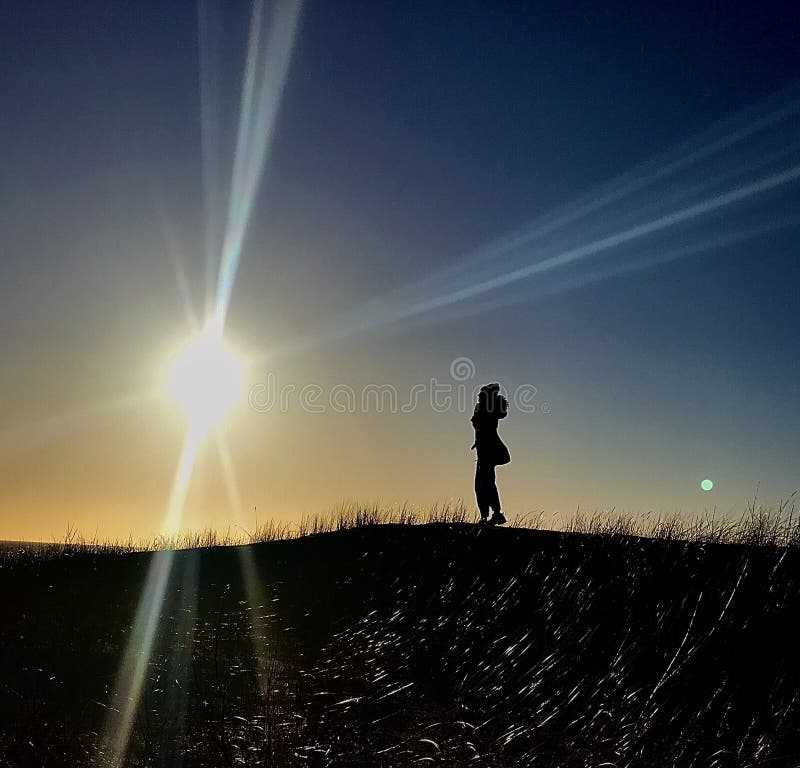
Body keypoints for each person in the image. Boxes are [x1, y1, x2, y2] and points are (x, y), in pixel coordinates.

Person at [470, 383, 511, 525]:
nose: (479, 397)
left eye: (481, 394)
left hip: (488, 450)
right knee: (482, 484)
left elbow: (486, 427)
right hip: (483, 450)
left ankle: (494, 514)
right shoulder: (484, 408)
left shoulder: (488, 409)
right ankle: (488, 515)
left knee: (485, 483)